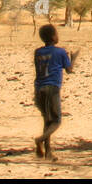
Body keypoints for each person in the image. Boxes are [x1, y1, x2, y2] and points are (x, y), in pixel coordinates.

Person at [32, 23, 78, 159]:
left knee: (47, 120)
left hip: (39, 88)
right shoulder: (61, 52)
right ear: (53, 37)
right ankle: (40, 139)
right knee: (57, 120)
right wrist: (73, 59)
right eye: (57, 34)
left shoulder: (38, 52)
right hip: (52, 88)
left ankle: (48, 152)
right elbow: (69, 70)